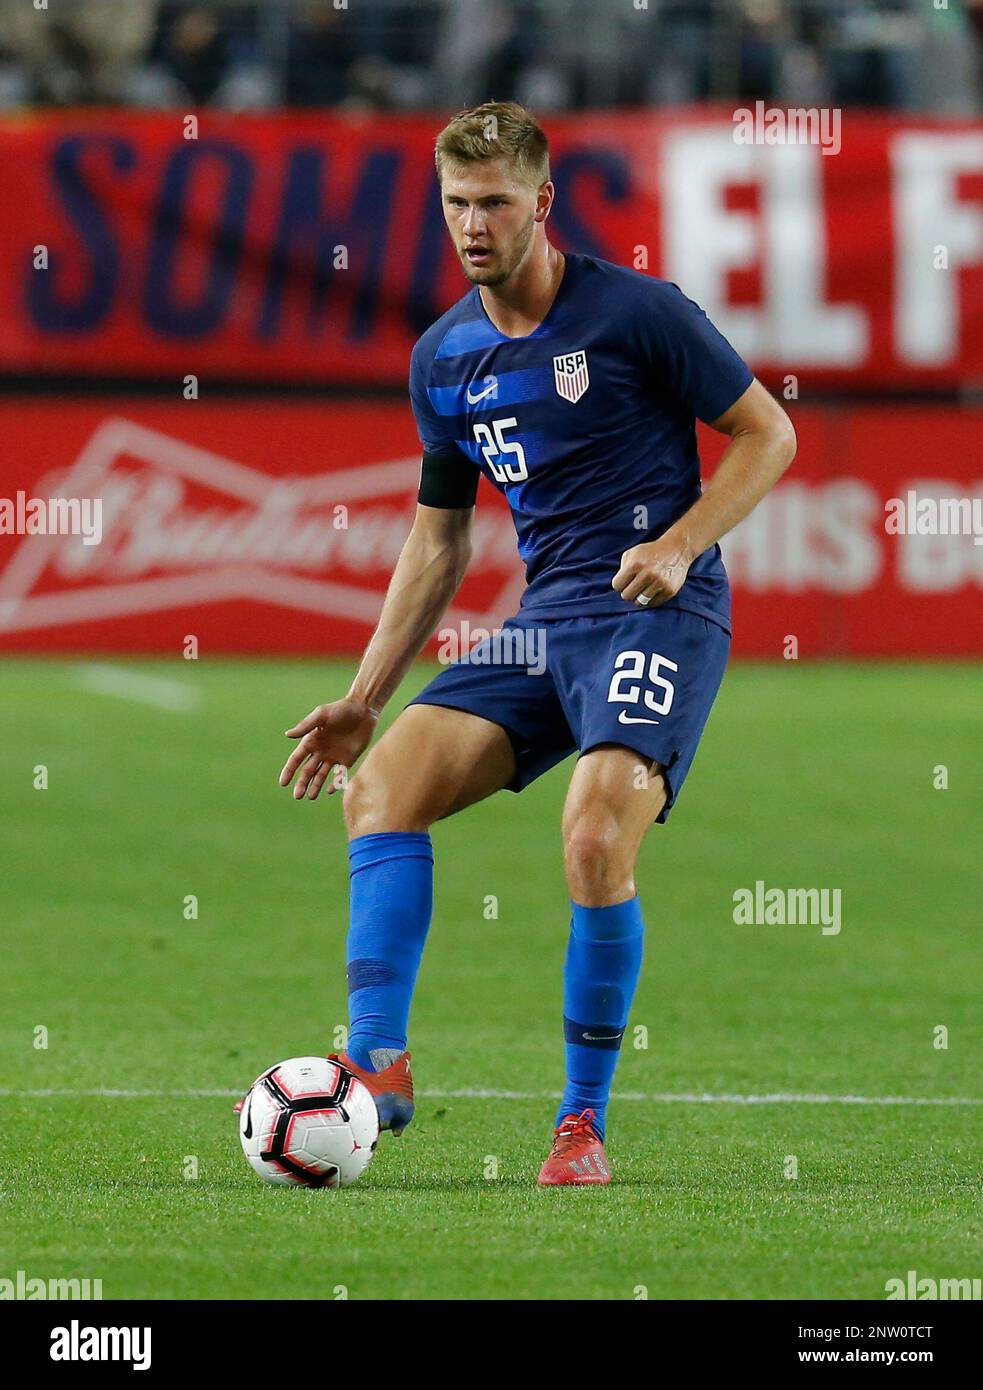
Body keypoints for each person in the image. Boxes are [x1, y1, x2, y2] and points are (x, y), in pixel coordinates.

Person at [277, 101, 796, 1186]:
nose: (473, 224)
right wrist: (365, 694)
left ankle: (580, 1124)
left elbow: (767, 432)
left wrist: (681, 540)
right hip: (542, 625)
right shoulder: (443, 359)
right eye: (457, 204)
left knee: (594, 838)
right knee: (380, 791)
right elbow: (438, 541)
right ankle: (378, 1066)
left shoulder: (637, 313)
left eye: (495, 203)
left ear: (541, 205)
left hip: (657, 610)